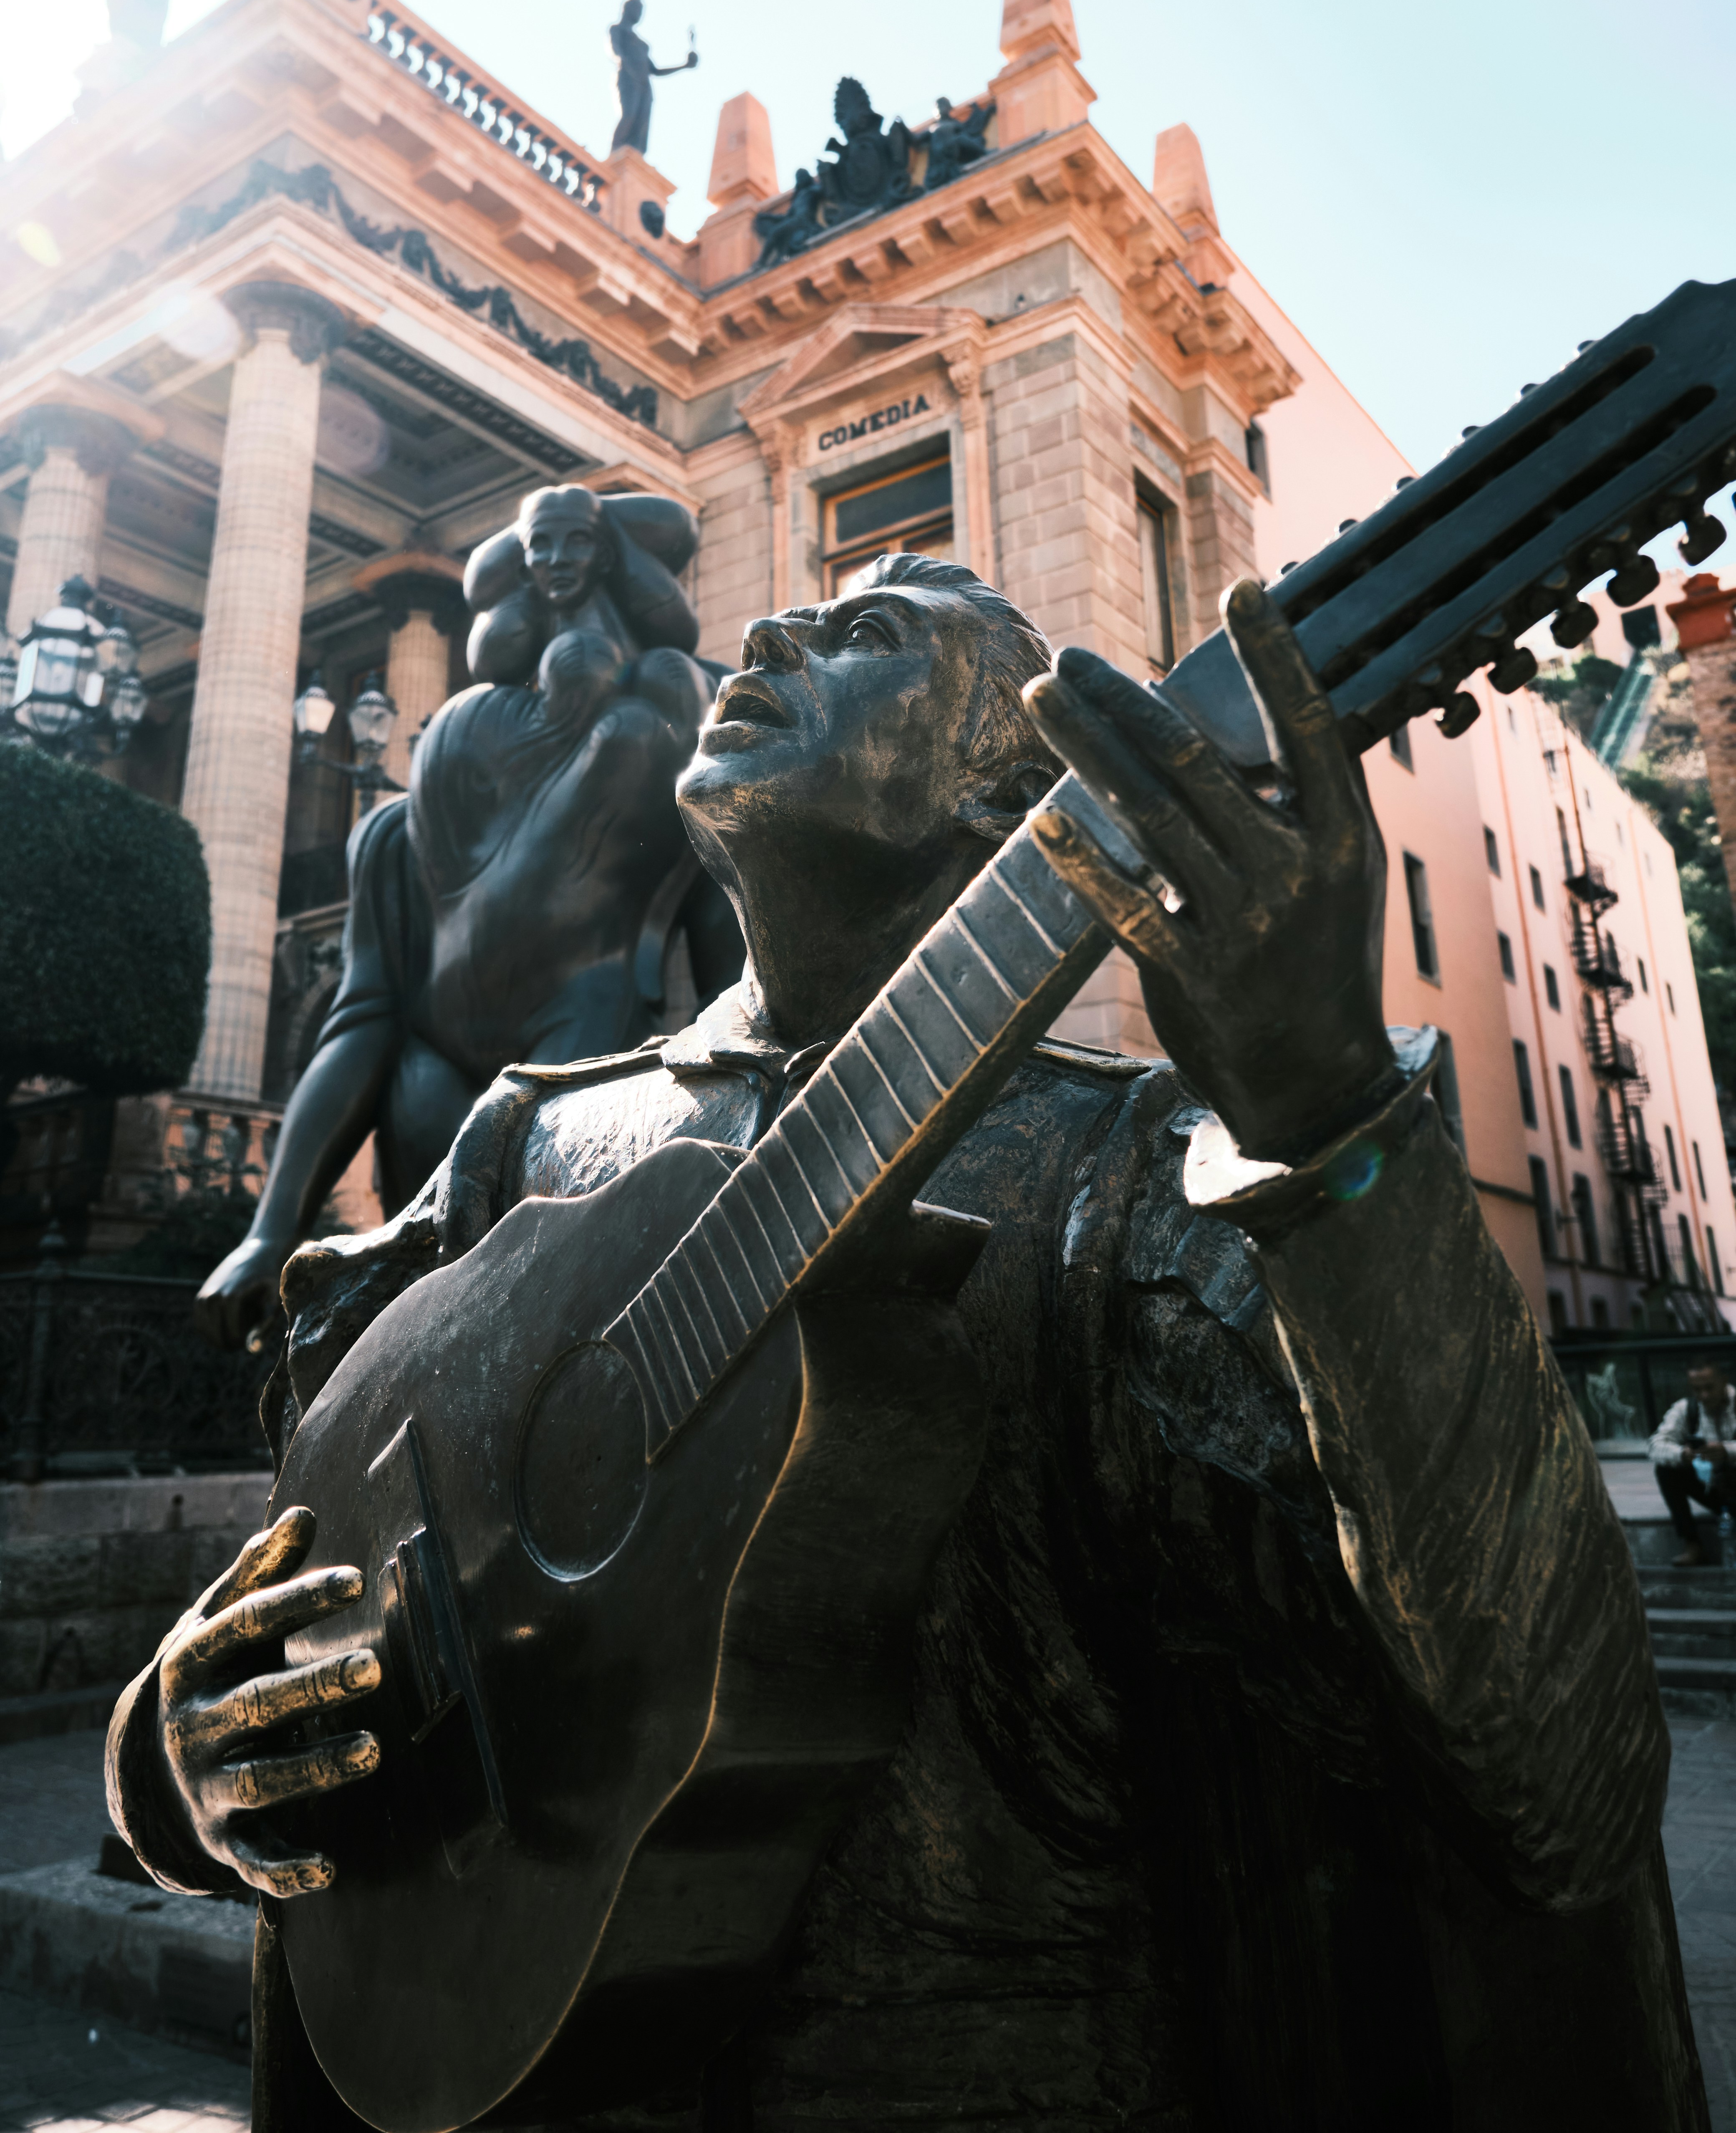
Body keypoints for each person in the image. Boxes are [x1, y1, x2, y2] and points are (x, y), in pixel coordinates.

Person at [111, 560, 1700, 2130]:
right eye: (794, 617)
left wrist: (1333, 1129)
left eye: (868, 636)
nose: (772, 626)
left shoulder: (1136, 1188)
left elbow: (1552, 1780)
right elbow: (315, 1584)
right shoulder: (522, 1145)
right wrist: (175, 1760)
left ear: (1002, 792)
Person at [194, 487, 742, 1348]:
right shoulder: (393, 833)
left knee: (539, 1337)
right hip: (432, 1106)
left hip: (586, 1090)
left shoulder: (671, 777)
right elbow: (363, 1022)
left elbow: (738, 1004)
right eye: (543, 549)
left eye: (578, 545)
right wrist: (272, 1229)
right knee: (443, 1342)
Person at [1651, 1361, 1736, 1565]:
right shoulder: (1686, 1409)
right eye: (1697, 1390)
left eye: (1709, 1388)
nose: (1704, 1396)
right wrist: (1683, 1454)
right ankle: (1693, 1545)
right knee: (1666, 1469)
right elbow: (1656, 1445)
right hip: (1713, 1488)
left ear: (1723, 1381)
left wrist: (1727, 1451)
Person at [609, 0, 697, 157]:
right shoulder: (617, 30)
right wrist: (631, 69)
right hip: (628, 79)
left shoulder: (641, 43)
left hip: (645, 84)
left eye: (641, 11)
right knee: (629, 117)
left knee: (641, 125)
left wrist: (684, 66)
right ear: (627, 9)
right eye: (637, 9)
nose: (639, 14)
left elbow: (655, 70)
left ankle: (634, 160)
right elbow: (617, 53)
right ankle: (614, 157)